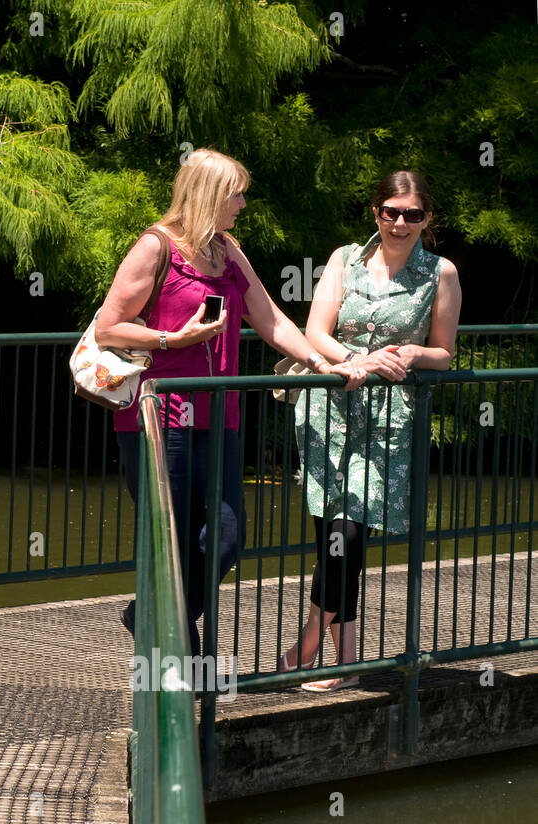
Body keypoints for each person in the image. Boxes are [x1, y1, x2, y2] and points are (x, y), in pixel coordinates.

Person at [96, 149, 359, 657]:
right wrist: (175, 339)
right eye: (235, 193)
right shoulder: (156, 247)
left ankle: (147, 617)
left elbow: (273, 321)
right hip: (159, 415)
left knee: (225, 536)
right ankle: (184, 664)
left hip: (220, 417)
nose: (242, 203)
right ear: (209, 194)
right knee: (168, 539)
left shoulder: (226, 249)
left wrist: (324, 363)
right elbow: (109, 326)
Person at [283, 170, 462, 691]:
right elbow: (315, 331)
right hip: (329, 411)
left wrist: (412, 353)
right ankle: (348, 660)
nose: (400, 223)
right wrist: (355, 359)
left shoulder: (440, 273)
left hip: (388, 419)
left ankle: (312, 641)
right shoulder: (343, 260)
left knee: (350, 531)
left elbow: (444, 354)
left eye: (412, 214)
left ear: (428, 219)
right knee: (333, 538)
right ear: (375, 213)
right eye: (391, 211)